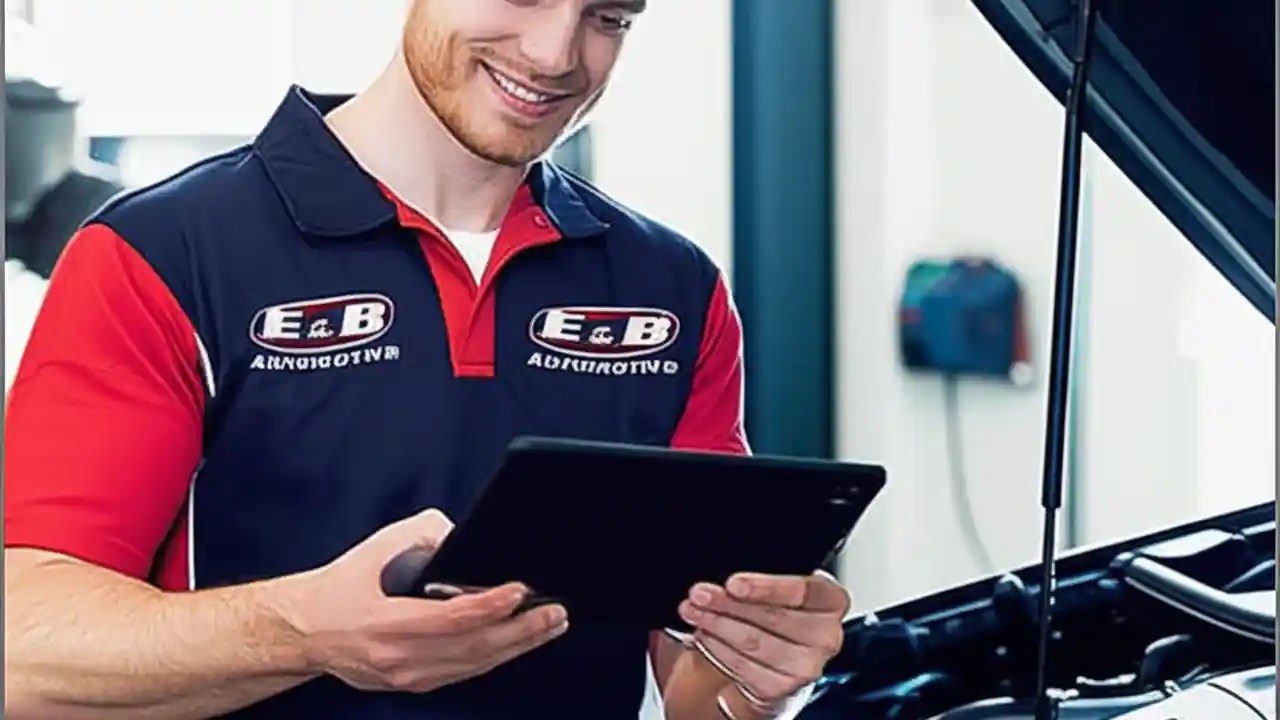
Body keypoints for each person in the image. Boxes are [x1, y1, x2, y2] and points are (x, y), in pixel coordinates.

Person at [4, 1, 854, 718]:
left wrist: (761, 672)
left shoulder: (672, 288)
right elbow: (24, 656)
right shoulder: (164, 253)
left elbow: (695, 690)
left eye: (608, 18)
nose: (555, 55)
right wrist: (302, 632)